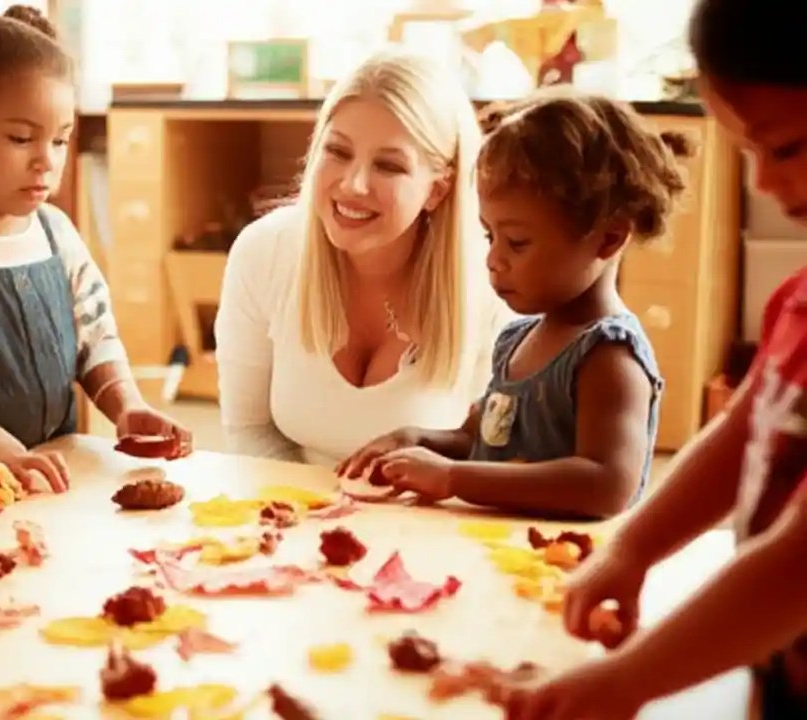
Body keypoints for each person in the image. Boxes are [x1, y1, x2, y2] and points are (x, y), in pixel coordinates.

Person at [503, 2, 807, 718]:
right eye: (746, 152)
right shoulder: (798, 303)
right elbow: (739, 437)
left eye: (787, 148)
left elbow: (799, 565)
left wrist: (624, 682)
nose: (762, 183)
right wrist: (632, 548)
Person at [0, 0, 191, 491]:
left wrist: (127, 404)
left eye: (60, 140)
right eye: (20, 138)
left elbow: (95, 339)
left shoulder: (56, 233)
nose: (46, 162)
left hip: (51, 476)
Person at [340, 91, 679, 519]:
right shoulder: (517, 339)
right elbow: (483, 444)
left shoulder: (608, 355)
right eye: (489, 236)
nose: (494, 259)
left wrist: (454, 479)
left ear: (609, 238)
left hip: (561, 567)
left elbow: (606, 483)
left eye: (516, 242)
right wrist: (418, 441)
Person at [215, 49, 507, 468]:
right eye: (337, 151)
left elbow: (491, 459)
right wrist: (313, 512)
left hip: (428, 521)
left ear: (438, 190)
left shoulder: (491, 281)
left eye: (388, 166)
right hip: (291, 513)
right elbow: (248, 429)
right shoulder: (265, 252)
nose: (353, 185)